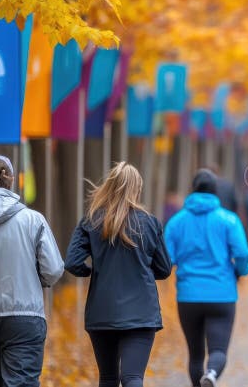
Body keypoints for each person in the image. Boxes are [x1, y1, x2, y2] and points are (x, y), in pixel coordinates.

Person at [65, 162, 172, 387]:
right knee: (132, 377)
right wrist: (140, 267)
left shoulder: (91, 220)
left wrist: (95, 273)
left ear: (109, 187)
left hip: (102, 310)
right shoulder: (150, 223)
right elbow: (164, 269)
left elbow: (72, 263)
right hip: (141, 313)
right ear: (137, 189)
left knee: (108, 378)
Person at [165, 169, 248, 387]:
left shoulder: (176, 221)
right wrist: (241, 271)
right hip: (222, 294)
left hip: (188, 295)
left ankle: (202, 380)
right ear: (215, 191)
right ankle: (212, 373)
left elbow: (167, 259)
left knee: (195, 354)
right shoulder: (228, 220)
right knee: (218, 350)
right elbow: (242, 254)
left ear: (192, 190)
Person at [0, 155, 64, 387]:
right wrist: (37, 277)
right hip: (24, 316)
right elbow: (53, 270)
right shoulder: (33, 220)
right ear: (12, 181)